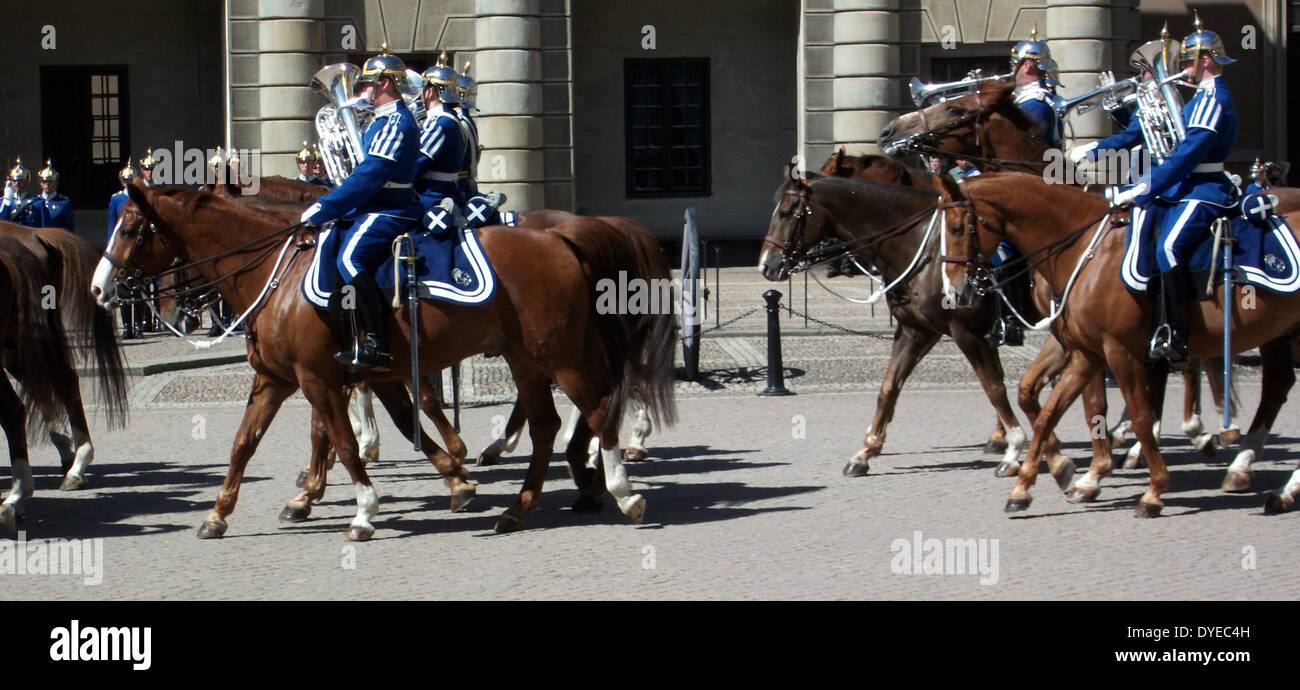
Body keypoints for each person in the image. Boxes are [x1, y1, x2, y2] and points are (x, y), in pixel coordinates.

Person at [1109, 12, 1238, 366]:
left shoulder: (1213, 99)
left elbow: (1187, 154)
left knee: (1168, 247)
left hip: (1207, 187)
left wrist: (1145, 187)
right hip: (1189, 182)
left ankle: (1178, 336)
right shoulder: (1201, 97)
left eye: (1187, 61)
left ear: (1205, 59)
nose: (1182, 67)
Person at [299, 46, 423, 372]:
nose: (362, 91)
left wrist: (325, 206)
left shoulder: (397, 122)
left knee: (349, 258)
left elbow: (370, 176)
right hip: (373, 205)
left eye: (367, 84)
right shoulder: (379, 120)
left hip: (391, 208)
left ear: (384, 83)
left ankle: (378, 344)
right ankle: (347, 327)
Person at [415, 54, 467, 212]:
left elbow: (418, 161)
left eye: (423, 89)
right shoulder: (451, 118)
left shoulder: (440, 122)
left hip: (433, 195)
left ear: (430, 91)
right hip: (439, 191)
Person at [1009, 26, 1063, 150]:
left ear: (1027, 66)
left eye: (1013, 64)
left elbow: (1020, 145)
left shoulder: (1035, 102)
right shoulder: (1027, 98)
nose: (1012, 70)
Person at [32, 160, 75, 231]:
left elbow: (70, 228)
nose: (47, 184)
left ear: (55, 182)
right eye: (44, 181)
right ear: (40, 183)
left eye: (50, 181)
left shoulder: (64, 203)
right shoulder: (34, 202)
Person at [0, 157, 38, 226]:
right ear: (10, 181)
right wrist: (7, 200)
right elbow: (2, 226)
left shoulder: (38, 202)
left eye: (20, 180)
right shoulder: (2, 202)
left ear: (26, 181)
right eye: (14, 180)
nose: (17, 183)